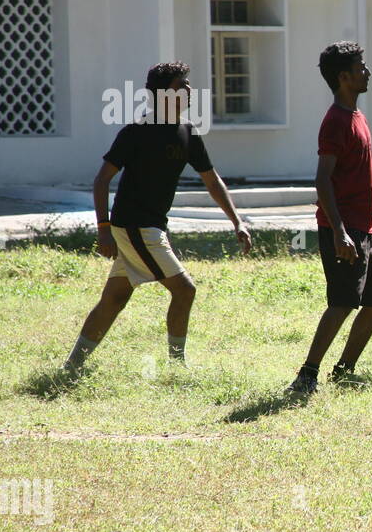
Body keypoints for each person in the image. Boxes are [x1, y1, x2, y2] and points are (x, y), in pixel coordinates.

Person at [63, 62, 251, 376]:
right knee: (185, 290)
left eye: (188, 84)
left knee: (115, 298)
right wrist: (103, 230)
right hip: (135, 226)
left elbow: (212, 180)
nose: (189, 89)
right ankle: (177, 367)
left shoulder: (188, 132)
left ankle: (72, 366)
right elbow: (101, 180)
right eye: (181, 85)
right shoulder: (135, 132)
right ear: (163, 94)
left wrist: (237, 221)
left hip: (150, 227)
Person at [287, 42, 372, 395]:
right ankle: (307, 375)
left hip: (364, 229)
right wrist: (340, 233)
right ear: (344, 77)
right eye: (361, 67)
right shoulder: (335, 121)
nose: (367, 71)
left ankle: (344, 370)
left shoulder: (359, 118)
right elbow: (322, 179)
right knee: (341, 303)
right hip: (343, 230)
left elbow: (366, 182)